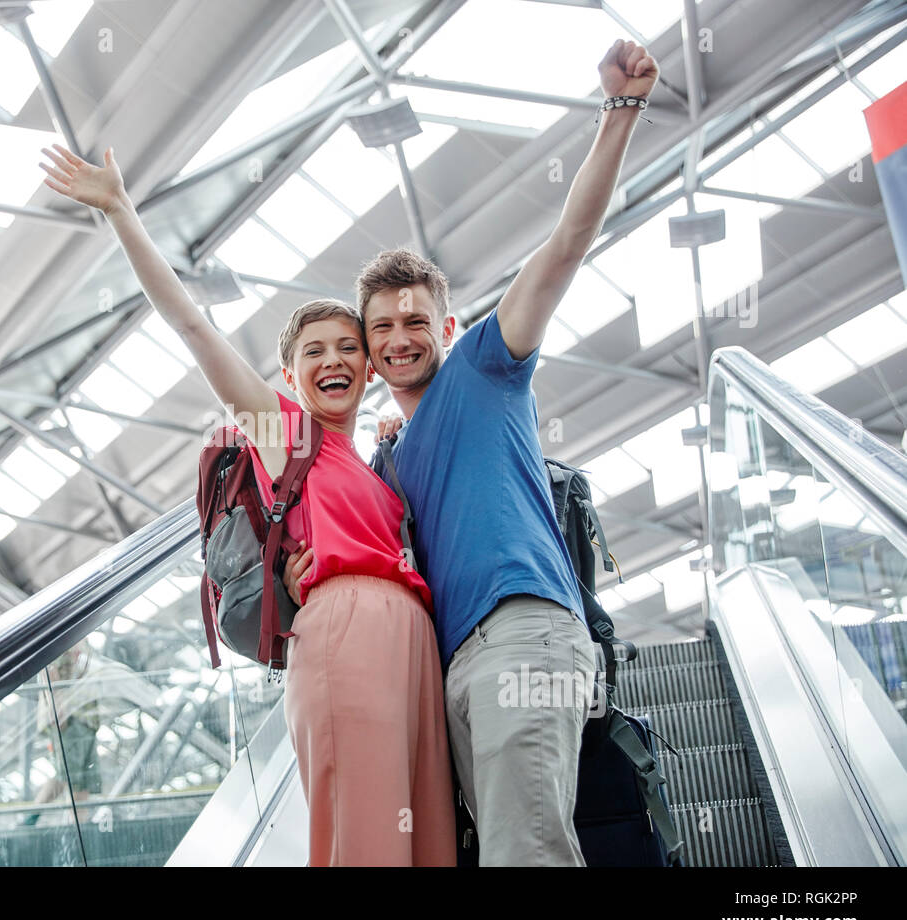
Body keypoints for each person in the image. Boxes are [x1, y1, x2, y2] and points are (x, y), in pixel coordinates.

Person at [285, 39, 660, 865]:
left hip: (523, 632)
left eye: (417, 320)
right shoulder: (388, 464)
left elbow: (565, 245)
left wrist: (620, 112)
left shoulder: (490, 364)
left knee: (526, 853)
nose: (399, 337)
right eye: (381, 327)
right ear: (369, 349)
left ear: (447, 327)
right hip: (454, 665)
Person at [40, 143, 455, 866]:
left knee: (428, 842)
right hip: (345, 629)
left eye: (348, 347)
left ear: (368, 365)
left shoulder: (380, 463)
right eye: (314, 352)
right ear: (287, 377)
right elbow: (194, 329)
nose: (334, 360)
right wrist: (121, 212)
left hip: (415, 638)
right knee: (365, 836)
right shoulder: (283, 433)